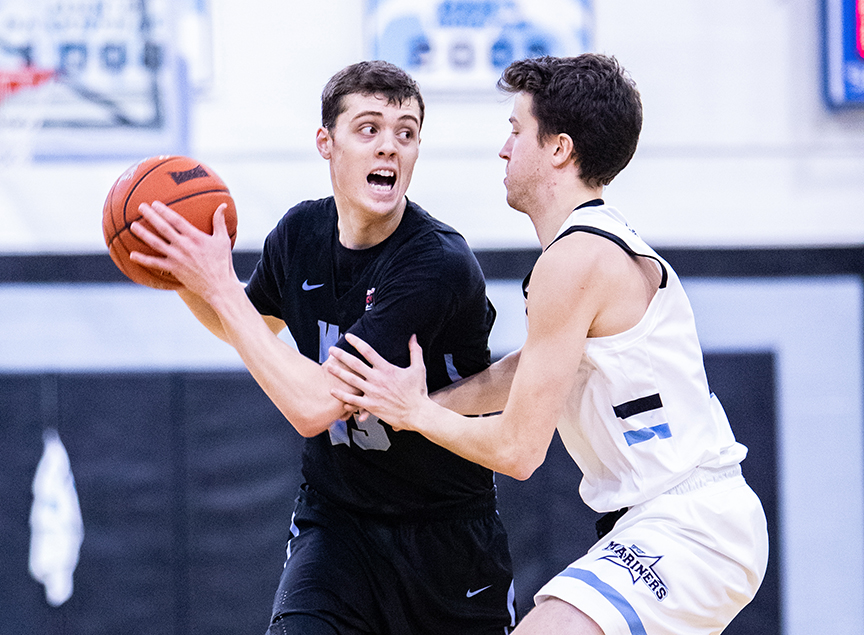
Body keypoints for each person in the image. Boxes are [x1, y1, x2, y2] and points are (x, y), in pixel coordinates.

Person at [325, 54, 768, 635]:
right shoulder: (592, 247)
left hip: (687, 525)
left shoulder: (574, 260)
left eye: (516, 130)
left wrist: (416, 412)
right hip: (668, 525)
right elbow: (528, 371)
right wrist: (419, 402)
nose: (504, 149)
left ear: (557, 149)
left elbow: (518, 452)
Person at [128, 60, 516, 634]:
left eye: (405, 133)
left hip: (446, 536)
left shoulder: (435, 262)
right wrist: (183, 273)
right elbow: (243, 322)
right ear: (326, 144)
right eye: (369, 129)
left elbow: (315, 408)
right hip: (337, 526)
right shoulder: (299, 234)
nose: (389, 147)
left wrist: (217, 284)